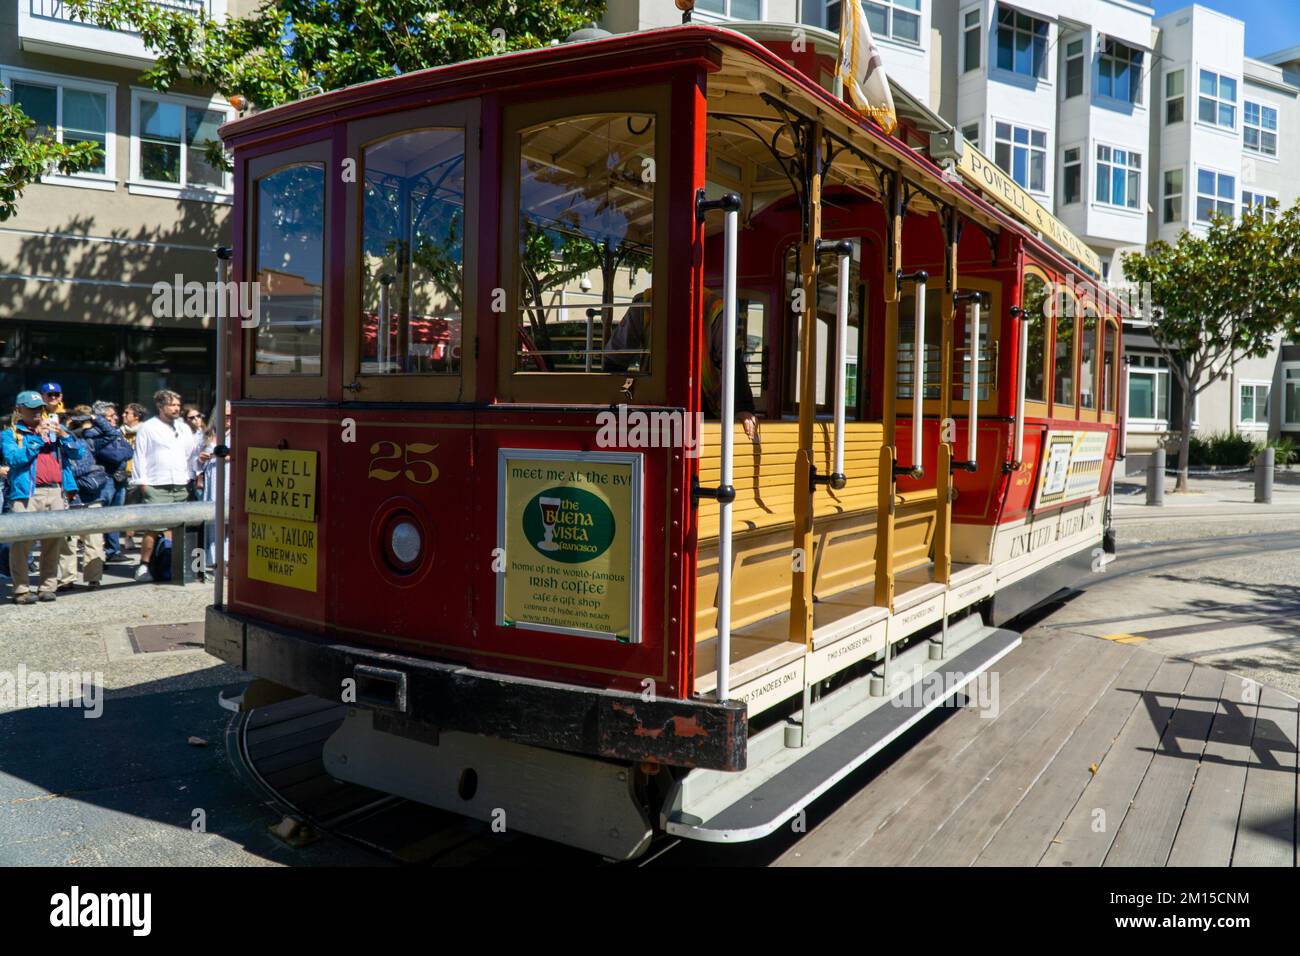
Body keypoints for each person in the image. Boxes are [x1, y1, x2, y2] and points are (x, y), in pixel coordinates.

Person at [605, 288, 759, 440]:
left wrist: (742, 408)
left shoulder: (647, 301)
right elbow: (615, 358)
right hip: (672, 403)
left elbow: (614, 357)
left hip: (681, 402)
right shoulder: (712, 304)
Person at [2, 391, 83, 604]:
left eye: (40, 408)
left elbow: (79, 453)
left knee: (53, 541)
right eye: (32, 409)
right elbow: (13, 458)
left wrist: (64, 436)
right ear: (19, 410)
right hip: (27, 493)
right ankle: (21, 589)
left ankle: (47, 587)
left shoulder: (54, 428)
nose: (38, 413)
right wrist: (37, 439)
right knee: (22, 543)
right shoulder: (11, 433)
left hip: (55, 491)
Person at [130, 389, 194, 582]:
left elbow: (189, 453)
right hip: (156, 483)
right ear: (160, 406)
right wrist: (142, 482)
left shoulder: (184, 428)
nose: (176, 408)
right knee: (154, 527)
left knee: (178, 528)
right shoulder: (148, 427)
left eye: (177, 405)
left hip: (180, 483)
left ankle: (173, 565)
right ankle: (144, 565)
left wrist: (189, 476)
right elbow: (139, 455)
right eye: (172, 405)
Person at [60, 406, 113, 589]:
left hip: (92, 495)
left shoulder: (89, 439)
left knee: (95, 540)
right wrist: (63, 430)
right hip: (71, 497)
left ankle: (94, 578)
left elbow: (111, 434)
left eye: (78, 422)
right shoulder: (60, 439)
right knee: (68, 541)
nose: (75, 426)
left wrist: (94, 417)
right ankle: (67, 579)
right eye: (71, 422)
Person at [91, 401, 132, 562]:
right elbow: (114, 455)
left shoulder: (116, 432)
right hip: (106, 479)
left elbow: (130, 451)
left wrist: (122, 450)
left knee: (116, 516)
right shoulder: (95, 434)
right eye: (111, 416)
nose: (116, 418)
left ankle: (113, 551)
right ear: (101, 418)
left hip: (119, 478)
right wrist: (122, 450)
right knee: (103, 517)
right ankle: (101, 553)